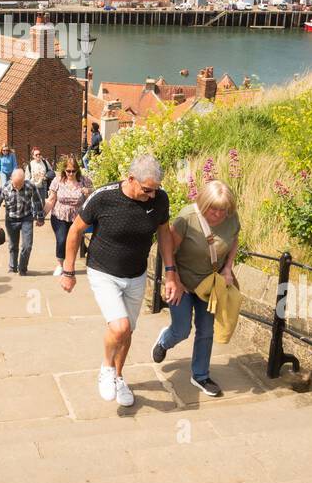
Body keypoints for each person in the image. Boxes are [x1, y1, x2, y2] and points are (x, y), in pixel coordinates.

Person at [59, 153, 182, 408]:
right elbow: (75, 230)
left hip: (135, 274)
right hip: (103, 271)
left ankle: (118, 376)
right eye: (147, 190)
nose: (151, 195)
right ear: (131, 179)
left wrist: (171, 272)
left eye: (155, 190)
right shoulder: (104, 197)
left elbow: (164, 235)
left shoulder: (159, 199)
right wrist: (68, 271)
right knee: (120, 327)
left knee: (128, 332)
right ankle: (106, 368)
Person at [152, 179, 240, 396]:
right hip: (182, 281)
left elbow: (234, 240)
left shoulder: (231, 218)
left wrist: (228, 268)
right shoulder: (187, 218)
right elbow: (168, 248)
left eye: (224, 209)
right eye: (214, 209)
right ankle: (165, 340)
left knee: (206, 331)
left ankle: (200, 375)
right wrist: (174, 279)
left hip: (209, 285)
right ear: (203, 202)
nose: (219, 214)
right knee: (182, 330)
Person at [0, 167, 45, 275]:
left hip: (26, 218)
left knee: (27, 245)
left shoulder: (30, 186)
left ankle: (22, 268)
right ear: (11, 179)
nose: (18, 187)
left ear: (24, 179)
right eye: (16, 184)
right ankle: (12, 267)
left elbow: (37, 201)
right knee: (13, 245)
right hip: (11, 219)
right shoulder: (4, 188)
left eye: (20, 184)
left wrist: (40, 218)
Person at [45, 155, 92, 277]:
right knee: (61, 240)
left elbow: (91, 199)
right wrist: (42, 216)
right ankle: (60, 265)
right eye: (68, 171)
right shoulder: (58, 180)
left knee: (74, 241)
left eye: (73, 171)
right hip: (59, 215)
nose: (71, 173)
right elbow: (51, 200)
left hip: (77, 217)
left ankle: (69, 264)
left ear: (77, 170)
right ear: (64, 170)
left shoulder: (84, 181)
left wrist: (88, 192)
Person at [24, 146, 55, 212]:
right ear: (33, 156)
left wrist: (46, 177)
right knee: (34, 202)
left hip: (43, 185)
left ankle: (40, 215)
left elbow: (51, 171)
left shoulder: (45, 162)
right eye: (36, 154)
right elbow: (27, 177)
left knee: (42, 201)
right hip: (33, 185)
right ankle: (34, 215)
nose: (38, 156)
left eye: (39, 154)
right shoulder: (30, 165)